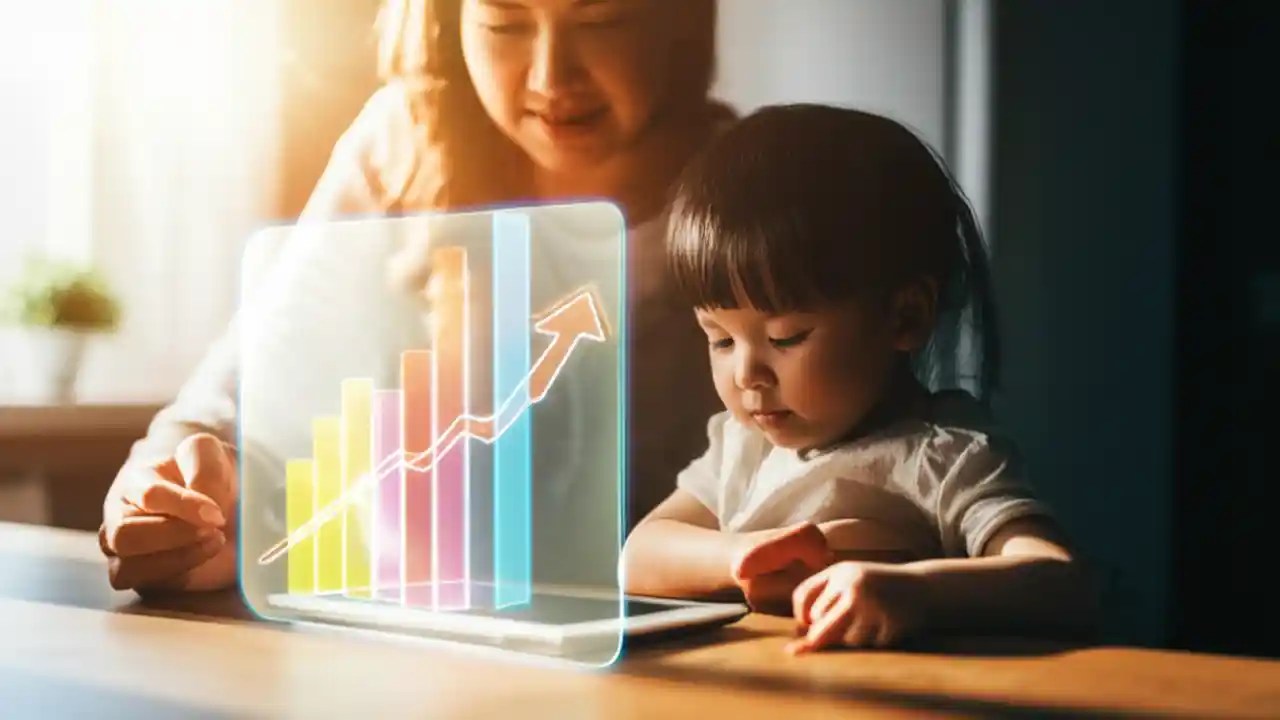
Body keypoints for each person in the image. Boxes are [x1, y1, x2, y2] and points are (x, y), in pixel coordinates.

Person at [97, 0, 733, 593]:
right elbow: (234, 394)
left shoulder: (746, 194)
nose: (550, 77)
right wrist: (160, 491)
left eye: (602, 21)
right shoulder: (403, 149)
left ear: (677, 18)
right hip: (405, 633)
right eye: (504, 25)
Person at [622, 104, 1098, 652]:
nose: (747, 373)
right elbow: (638, 557)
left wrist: (917, 592)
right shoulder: (741, 449)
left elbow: (1061, 584)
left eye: (786, 338)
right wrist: (743, 555)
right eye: (721, 339)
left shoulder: (943, 456)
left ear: (905, 317)